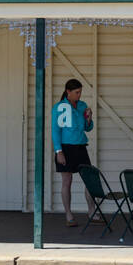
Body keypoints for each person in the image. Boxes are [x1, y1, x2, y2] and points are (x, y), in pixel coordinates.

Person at [52, 78, 94, 228]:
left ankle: (91, 212)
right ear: (68, 92)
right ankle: (69, 214)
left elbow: (88, 128)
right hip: (65, 147)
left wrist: (89, 119)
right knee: (67, 181)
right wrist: (59, 151)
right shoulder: (59, 107)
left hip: (80, 146)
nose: (79, 95)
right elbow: (56, 131)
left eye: (80, 92)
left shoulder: (82, 106)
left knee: (89, 179)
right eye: (76, 92)